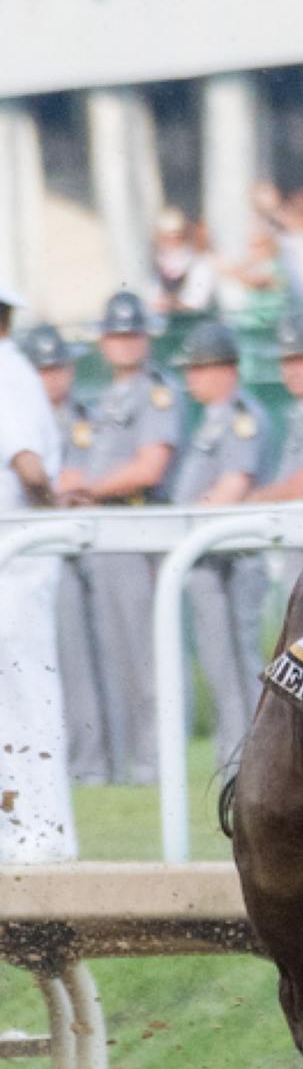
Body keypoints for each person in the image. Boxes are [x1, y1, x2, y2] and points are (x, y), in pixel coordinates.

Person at [53, 289, 178, 785]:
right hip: (103, 533)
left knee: (144, 660)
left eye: (132, 334)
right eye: (116, 335)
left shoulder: (155, 393)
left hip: (134, 530)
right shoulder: (105, 399)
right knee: (112, 659)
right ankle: (124, 764)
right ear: (103, 342)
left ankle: (154, 765)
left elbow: (150, 465)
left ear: (145, 338)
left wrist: (87, 487)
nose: (124, 344)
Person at [167, 321, 272, 761]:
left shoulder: (241, 417)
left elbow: (232, 488)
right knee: (218, 660)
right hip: (208, 559)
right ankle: (233, 753)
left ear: (224, 370)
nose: (190, 378)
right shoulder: (213, 419)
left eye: (198, 368)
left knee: (235, 659)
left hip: (231, 559)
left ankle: (248, 752)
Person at [0, 298, 75, 860]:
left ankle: (40, 838)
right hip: (14, 565)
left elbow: (28, 465)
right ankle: (23, 834)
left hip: (17, 566)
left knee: (27, 702)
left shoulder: (7, 369)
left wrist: (51, 506)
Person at [245, 312, 303, 502]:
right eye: (286, 362)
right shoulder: (301, 412)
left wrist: (255, 499)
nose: (292, 371)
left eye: (301, 360)